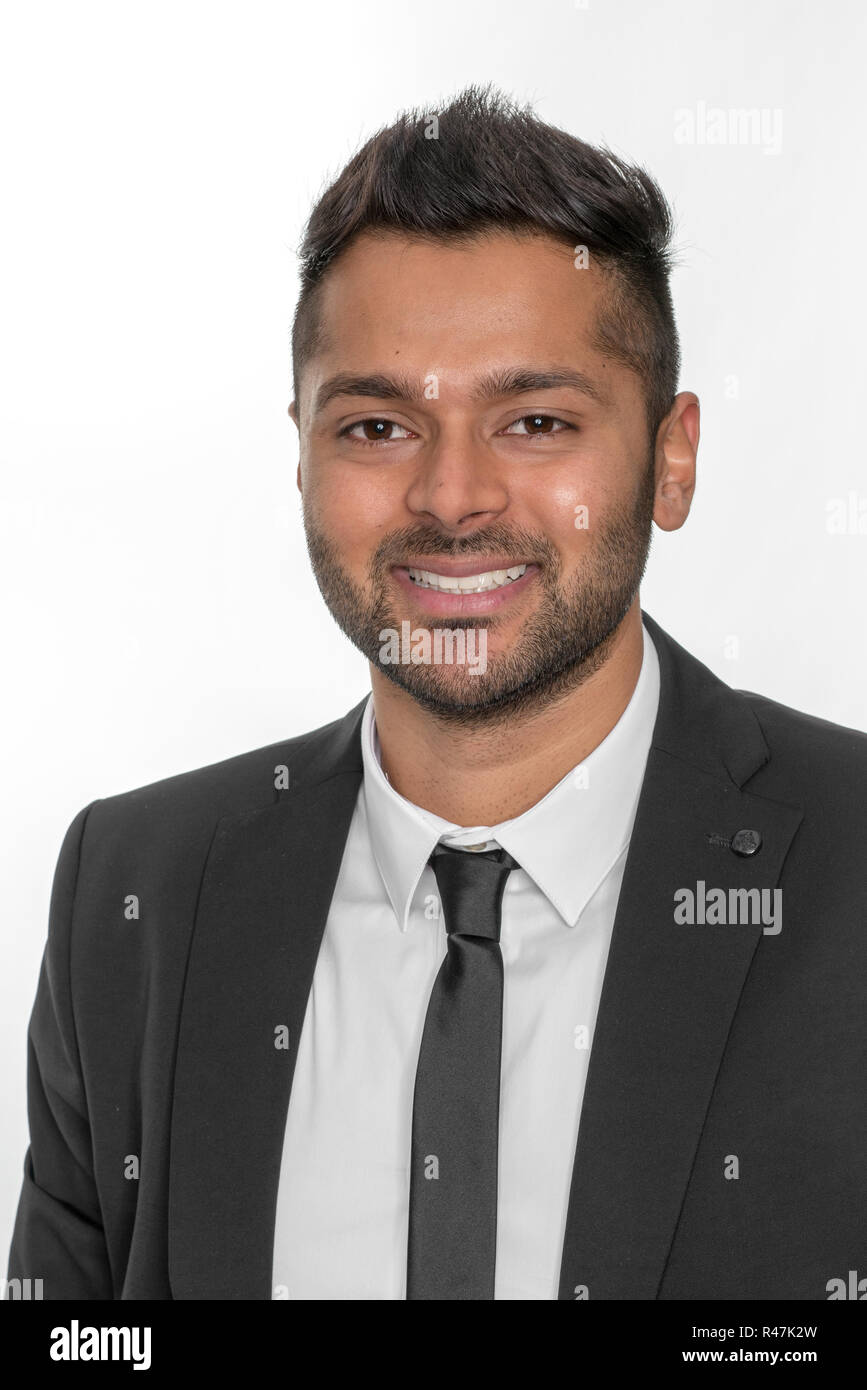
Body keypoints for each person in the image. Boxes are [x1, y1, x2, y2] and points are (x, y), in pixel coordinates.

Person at [8, 85, 867, 1301]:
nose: (453, 498)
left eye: (533, 419)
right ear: (300, 450)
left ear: (672, 459)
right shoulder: (134, 888)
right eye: (376, 426)